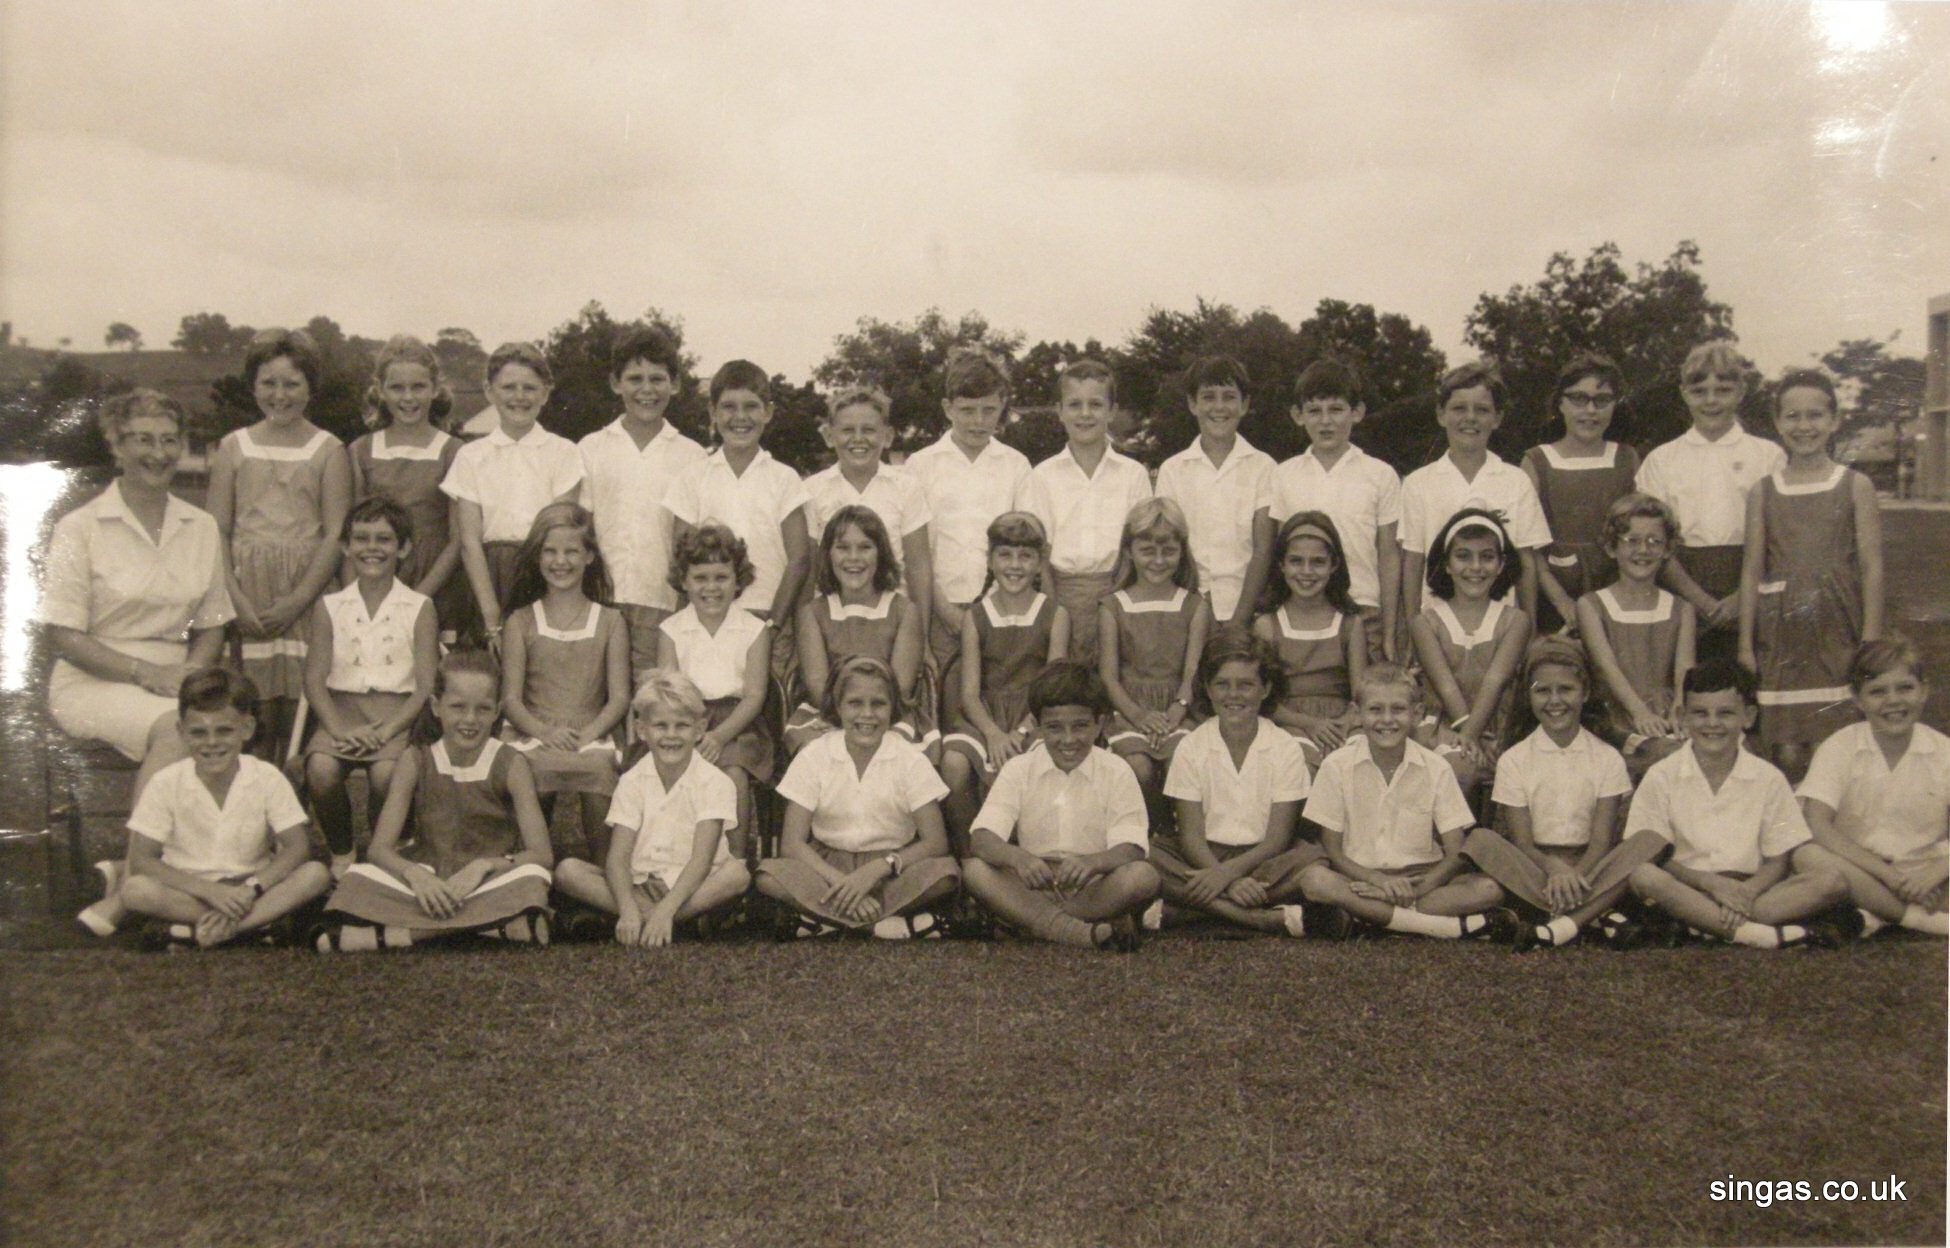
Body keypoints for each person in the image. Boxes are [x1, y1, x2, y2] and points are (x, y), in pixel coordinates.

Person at [41, 390, 234, 939]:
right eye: (143, 440)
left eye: (168, 440)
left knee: (212, 720)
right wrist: (148, 676)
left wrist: (194, 675)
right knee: (180, 730)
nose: (158, 453)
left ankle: (132, 873)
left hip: (180, 678)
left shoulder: (199, 526)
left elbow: (213, 622)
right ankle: (133, 893)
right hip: (95, 678)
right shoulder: (80, 527)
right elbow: (65, 636)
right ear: (117, 446)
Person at [316, 649, 554, 950]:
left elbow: (541, 854)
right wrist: (415, 876)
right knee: (356, 879)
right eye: (457, 707)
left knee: (532, 879)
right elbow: (379, 849)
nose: (470, 719)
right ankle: (493, 928)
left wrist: (484, 866)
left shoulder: (511, 763)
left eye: (483, 709)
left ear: (497, 712)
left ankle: (394, 936)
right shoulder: (416, 759)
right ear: (436, 706)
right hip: (428, 880)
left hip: (487, 884)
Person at [1621, 659, 1851, 948]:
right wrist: (1710, 884)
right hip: (1688, 885)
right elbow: (1652, 855)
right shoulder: (1662, 775)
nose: (1713, 724)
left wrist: (1746, 891)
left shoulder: (1768, 778)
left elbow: (1778, 857)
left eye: (1726, 713)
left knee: (1831, 881)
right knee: (1644, 876)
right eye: (1700, 713)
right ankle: (1758, 935)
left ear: (1748, 716)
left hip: (1751, 891)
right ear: (1683, 716)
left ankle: (1703, 923)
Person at [1462, 639, 1666, 949]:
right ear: (1528, 696)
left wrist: (1574, 876)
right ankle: (1597, 915)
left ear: (1584, 693)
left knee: (1651, 839)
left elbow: (1600, 843)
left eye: (1566, 689)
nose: (1554, 700)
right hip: (1534, 867)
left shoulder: (1607, 757)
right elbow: (1522, 843)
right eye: (1542, 690)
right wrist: (1555, 870)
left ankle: (1557, 924)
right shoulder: (1514, 759)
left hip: (1591, 865)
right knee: (1480, 840)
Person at [206, 327, 352, 751]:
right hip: (248, 596)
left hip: (305, 593)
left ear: (310, 388)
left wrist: (297, 601)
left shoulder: (328, 449)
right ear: (253, 386)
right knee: (251, 713)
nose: (280, 394)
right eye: (268, 383)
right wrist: (234, 598)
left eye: (292, 383)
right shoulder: (234, 447)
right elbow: (216, 530)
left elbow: (334, 534)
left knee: (299, 719)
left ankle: (293, 809)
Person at [1297, 664, 1515, 940]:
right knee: (1315, 880)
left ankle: (1369, 918)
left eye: (1398, 709)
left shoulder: (1437, 768)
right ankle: (1442, 928)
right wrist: (1380, 882)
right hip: (1360, 878)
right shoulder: (1336, 766)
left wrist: (1418, 888)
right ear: (1357, 713)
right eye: (1375, 709)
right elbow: (1334, 851)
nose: (1387, 719)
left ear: (1417, 714)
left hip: (1423, 879)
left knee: (1489, 890)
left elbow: (1455, 852)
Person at [116, 667, 330, 947]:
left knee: (316, 874)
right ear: (181, 732)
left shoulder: (265, 777)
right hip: (191, 890)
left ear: (247, 729)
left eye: (224, 730)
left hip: (252, 889)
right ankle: (257, 926)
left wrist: (252, 889)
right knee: (135, 890)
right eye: (198, 732)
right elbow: (143, 860)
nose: (212, 743)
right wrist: (210, 892)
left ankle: (213, 930)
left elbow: (297, 847)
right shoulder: (166, 782)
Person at [1739, 368, 1883, 778]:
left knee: (1835, 749)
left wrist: (1870, 637)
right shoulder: (1763, 491)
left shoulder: (1855, 485)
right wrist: (1746, 646)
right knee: (1785, 753)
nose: (1805, 426)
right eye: (1793, 416)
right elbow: (1752, 570)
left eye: (1815, 415)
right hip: (1782, 636)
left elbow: (1872, 567)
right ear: (1777, 422)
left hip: (1838, 629)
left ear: (1834, 420)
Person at [756, 656, 961, 939]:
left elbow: (936, 841)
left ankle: (825, 923)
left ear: (893, 708)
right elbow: (792, 844)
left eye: (878, 703)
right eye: (855, 703)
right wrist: (845, 884)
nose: (867, 714)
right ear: (837, 707)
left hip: (892, 870)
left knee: (945, 873)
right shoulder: (814, 755)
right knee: (769, 876)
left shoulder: (910, 758)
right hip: (827, 868)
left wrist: (879, 868)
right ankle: (890, 926)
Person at [961, 663, 1160, 950]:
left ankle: (1026, 922)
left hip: (1092, 885)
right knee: (975, 871)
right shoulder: (1020, 768)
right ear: (1039, 726)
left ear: (1100, 724)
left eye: (1080, 726)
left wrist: (1094, 863)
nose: (1068, 739)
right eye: (1054, 728)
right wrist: (1018, 858)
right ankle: (1079, 931)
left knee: (1143, 877)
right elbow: (981, 839)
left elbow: (1132, 847)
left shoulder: (1116, 770)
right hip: (1034, 883)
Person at [553, 669, 752, 945]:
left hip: (694, 887)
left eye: (682, 725)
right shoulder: (632, 781)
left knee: (737, 874)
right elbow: (618, 857)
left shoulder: (715, 782)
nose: (671, 736)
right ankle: (671, 923)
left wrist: (666, 909)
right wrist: (627, 906)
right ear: (642, 730)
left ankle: (659, 920)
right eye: (660, 726)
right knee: (568, 871)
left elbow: (701, 861)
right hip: (641, 884)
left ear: (700, 729)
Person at [300, 498, 438, 880]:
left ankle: (387, 848)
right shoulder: (330, 605)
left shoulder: (419, 606)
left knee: (385, 774)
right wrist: (340, 730)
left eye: (384, 539)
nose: (371, 548)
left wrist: (387, 730)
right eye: (361, 538)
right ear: (345, 546)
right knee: (322, 768)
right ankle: (343, 852)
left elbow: (426, 685)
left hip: (397, 714)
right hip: (339, 713)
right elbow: (314, 680)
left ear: (404, 548)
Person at [1154, 630, 1324, 936]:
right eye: (1222, 684)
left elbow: (1278, 838)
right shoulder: (1191, 746)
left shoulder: (1285, 747)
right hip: (1204, 856)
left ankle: (1191, 912)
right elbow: (1190, 837)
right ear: (1207, 688)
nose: (1233, 695)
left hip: (1264, 861)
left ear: (1266, 688)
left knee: (1315, 862)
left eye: (1246, 685)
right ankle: (1261, 920)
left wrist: (1227, 876)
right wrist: (1228, 880)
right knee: (1150, 858)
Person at [1634, 341, 1785, 665]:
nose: (1711, 400)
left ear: (1741, 391)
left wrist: (1742, 598)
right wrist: (1698, 598)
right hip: (1680, 583)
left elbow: (1779, 538)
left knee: (1746, 687)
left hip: (1749, 584)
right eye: (1700, 390)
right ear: (1684, 393)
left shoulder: (1767, 455)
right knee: (1686, 683)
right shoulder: (1662, 460)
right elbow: (1653, 540)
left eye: (1723, 389)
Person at [499, 503, 630, 862]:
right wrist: (545, 732)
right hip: (534, 734)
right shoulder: (521, 621)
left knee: (599, 771)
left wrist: (589, 733)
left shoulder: (610, 621)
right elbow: (510, 699)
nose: (561, 561)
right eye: (550, 551)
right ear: (537, 557)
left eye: (572, 551)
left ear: (589, 556)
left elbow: (619, 698)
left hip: (590, 734)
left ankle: (605, 876)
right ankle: (531, 878)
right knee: (526, 772)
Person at [664, 360, 811, 676]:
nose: (740, 417)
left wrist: (773, 624)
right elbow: (681, 560)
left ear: (768, 413)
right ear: (713, 413)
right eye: (729, 407)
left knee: (767, 709)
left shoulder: (784, 479)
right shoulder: (692, 478)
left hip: (767, 614)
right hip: (707, 617)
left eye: (751, 406)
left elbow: (799, 558)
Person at [577, 326, 706, 682]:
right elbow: (581, 528)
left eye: (657, 379)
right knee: (599, 693)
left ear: (675, 384)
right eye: (635, 379)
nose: (646, 390)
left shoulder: (692, 455)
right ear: (616, 383)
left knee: (651, 698)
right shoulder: (591, 448)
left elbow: (688, 541)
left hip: (661, 602)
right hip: (599, 599)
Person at [1797, 637, 1947, 937]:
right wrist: (1886, 875)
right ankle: (1916, 919)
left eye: (1905, 688)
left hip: (1922, 874)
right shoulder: (1839, 747)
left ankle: (1870, 915)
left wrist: (1936, 872)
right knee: (1807, 856)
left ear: (1924, 691)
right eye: (1877, 692)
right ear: (1857, 699)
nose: (1893, 701)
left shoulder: (1942, 751)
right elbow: (1816, 824)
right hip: (1860, 869)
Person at [906, 346, 1033, 696]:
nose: (978, 420)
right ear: (948, 408)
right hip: (936, 610)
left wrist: (991, 609)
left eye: (988, 410)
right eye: (967, 410)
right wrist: (944, 611)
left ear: (1002, 407)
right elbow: (917, 552)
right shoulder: (920, 465)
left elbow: (1021, 547)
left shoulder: (1016, 465)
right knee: (941, 698)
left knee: (995, 697)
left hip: (1002, 609)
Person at [939, 513, 1069, 849]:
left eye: (1026, 556)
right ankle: (971, 856)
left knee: (1041, 760)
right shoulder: (976, 615)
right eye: (1005, 555)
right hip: (984, 717)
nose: (1015, 565)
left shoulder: (1055, 614)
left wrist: (1021, 732)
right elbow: (968, 693)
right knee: (953, 763)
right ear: (991, 560)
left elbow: (1053, 691)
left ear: (1040, 563)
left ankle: (1034, 854)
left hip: (1036, 716)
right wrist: (994, 734)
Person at [441, 341, 583, 648]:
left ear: (545, 393)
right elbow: (469, 543)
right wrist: (491, 615)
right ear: (490, 391)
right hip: (487, 579)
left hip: (544, 573)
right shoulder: (471, 455)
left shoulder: (564, 452)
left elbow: (560, 534)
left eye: (530, 388)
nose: (519, 397)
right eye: (508, 387)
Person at [1017, 358, 1153, 667]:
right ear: (1060, 411)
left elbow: (1137, 546)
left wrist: (1112, 602)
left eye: (1095, 404)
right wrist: (1055, 610)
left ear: (1111, 411)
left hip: (1119, 593)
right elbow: (1038, 551)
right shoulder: (1042, 476)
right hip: (1059, 595)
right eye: (1075, 405)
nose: (1085, 414)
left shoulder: (1133, 474)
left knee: (1112, 685)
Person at [1267, 356, 1402, 661]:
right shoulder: (1283, 475)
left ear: (1357, 412)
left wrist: (1390, 631)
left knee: (1367, 700)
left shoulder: (1380, 474)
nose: (1325, 421)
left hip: (1363, 608)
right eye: (1314, 411)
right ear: (1297, 415)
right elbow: (1278, 551)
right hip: (1300, 610)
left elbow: (1389, 556)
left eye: (1336, 410)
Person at [656, 524, 776, 861]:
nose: (711, 587)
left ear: (738, 580)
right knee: (669, 766)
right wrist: (690, 732)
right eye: (701, 578)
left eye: (721, 577)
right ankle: (677, 857)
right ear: (684, 581)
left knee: (732, 773)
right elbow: (668, 691)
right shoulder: (671, 629)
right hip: (683, 718)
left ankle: (736, 859)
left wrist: (720, 736)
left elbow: (754, 695)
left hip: (737, 724)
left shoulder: (753, 629)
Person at [1398, 360, 1550, 622]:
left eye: (1481, 410)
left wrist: (1527, 629)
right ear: (1441, 414)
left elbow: (1525, 563)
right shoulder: (1417, 483)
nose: (1470, 418)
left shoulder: (1516, 481)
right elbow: (1413, 562)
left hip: (1501, 626)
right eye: (1459, 408)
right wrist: (1413, 630)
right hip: (1436, 626)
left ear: (1497, 418)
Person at [785, 506, 932, 757]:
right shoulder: (813, 613)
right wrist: (847, 718)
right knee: (816, 749)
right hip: (830, 711)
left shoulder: (904, 611)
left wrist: (866, 718)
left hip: (888, 713)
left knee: (891, 750)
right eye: (843, 547)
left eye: (865, 547)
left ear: (881, 554)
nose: (853, 557)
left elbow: (900, 687)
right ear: (828, 554)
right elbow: (818, 685)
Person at [1100, 499, 1210, 833]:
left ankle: (1182, 837)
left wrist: (1178, 709)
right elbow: (1108, 676)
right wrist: (1140, 716)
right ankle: (1149, 835)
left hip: (1179, 710)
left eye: (1169, 551)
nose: (1159, 561)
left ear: (1182, 552)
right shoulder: (1113, 605)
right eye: (1148, 550)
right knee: (1139, 767)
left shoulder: (1194, 605)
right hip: (1129, 711)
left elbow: (1193, 670)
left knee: (1183, 760)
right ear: (1130, 550)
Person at [1408, 508, 1533, 795]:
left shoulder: (1515, 620)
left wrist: (1472, 736)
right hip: (1441, 727)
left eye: (1487, 557)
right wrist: (1467, 739)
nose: (1475, 567)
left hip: (1494, 731)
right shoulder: (1425, 622)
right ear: (1447, 564)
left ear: (1501, 564)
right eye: (1463, 556)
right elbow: (1445, 685)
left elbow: (1495, 681)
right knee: (1449, 765)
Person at [348, 335, 465, 641]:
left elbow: (458, 540)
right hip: (376, 583)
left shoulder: (453, 451)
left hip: (435, 587)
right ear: (381, 391)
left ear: (435, 389)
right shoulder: (361, 450)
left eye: (418, 387)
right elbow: (352, 535)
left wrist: (416, 600)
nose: (408, 397)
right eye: (397, 388)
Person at [1575, 493, 1695, 778]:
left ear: (1668, 550)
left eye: (1655, 541)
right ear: (1612, 548)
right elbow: (1607, 668)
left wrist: (1680, 708)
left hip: (1666, 716)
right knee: (1668, 757)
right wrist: (1639, 713)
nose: (1643, 550)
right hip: (1616, 718)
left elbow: (1685, 671)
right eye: (1632, 540)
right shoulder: (1592, 605)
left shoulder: (1682, 608)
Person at [1521, 352, 1641, 634]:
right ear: (1559, 403)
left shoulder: (1627, 459)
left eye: (1602, 400)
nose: (1590, 410)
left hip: (1618, 599)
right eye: (1578, 398)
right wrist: (1564, 604)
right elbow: (1528, 549)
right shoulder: (1537, 461)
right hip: (1555, 603)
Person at [1154, 355, 1276, 628]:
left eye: (1229, 397)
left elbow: (1263, 548)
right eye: (1208, 397)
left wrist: (1238, 621)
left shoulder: (1264, 467)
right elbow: (1172, 543)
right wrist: (1196, 608)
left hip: (1247, 610)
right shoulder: (1172, 470)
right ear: (1192, 404)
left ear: (1244, 405)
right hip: (1186, 609)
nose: (1219, 407)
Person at [802, 384, 934, 632]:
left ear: (888, 436)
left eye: (869, 430)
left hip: (895, 621)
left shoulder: (906, 488)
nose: (858, 439)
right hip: (831, 622)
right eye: (848, 430)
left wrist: (921, 638)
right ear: (830, 436)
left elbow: (918, 568)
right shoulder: (811, 491)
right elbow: (809, 572)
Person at [1251, 512, 1365, 770]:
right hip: (1288, 721)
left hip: (1340, 722)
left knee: (1355, 764)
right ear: (1281, 565)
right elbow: (1262, 698)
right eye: (1296, 561)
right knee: (1301, 765)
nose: (1306, 571)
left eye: (1317, 562)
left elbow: (1360, 694)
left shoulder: (1350, 624)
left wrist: (1346, 723)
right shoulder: (1267, 625)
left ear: (1334, 565)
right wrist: (1309, 724)